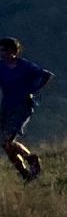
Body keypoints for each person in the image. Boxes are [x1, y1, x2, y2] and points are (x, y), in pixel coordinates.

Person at [0, 38, 50, 183]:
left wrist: (33, 89)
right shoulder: (1, 66)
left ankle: (31, 160)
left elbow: (45, 75)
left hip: (23, 106)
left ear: (13, 51)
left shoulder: (24, 66)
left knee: (7, 139)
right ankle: (25, 172)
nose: (1, 53)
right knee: (5, 144)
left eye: (3, 50)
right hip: (7, 106)